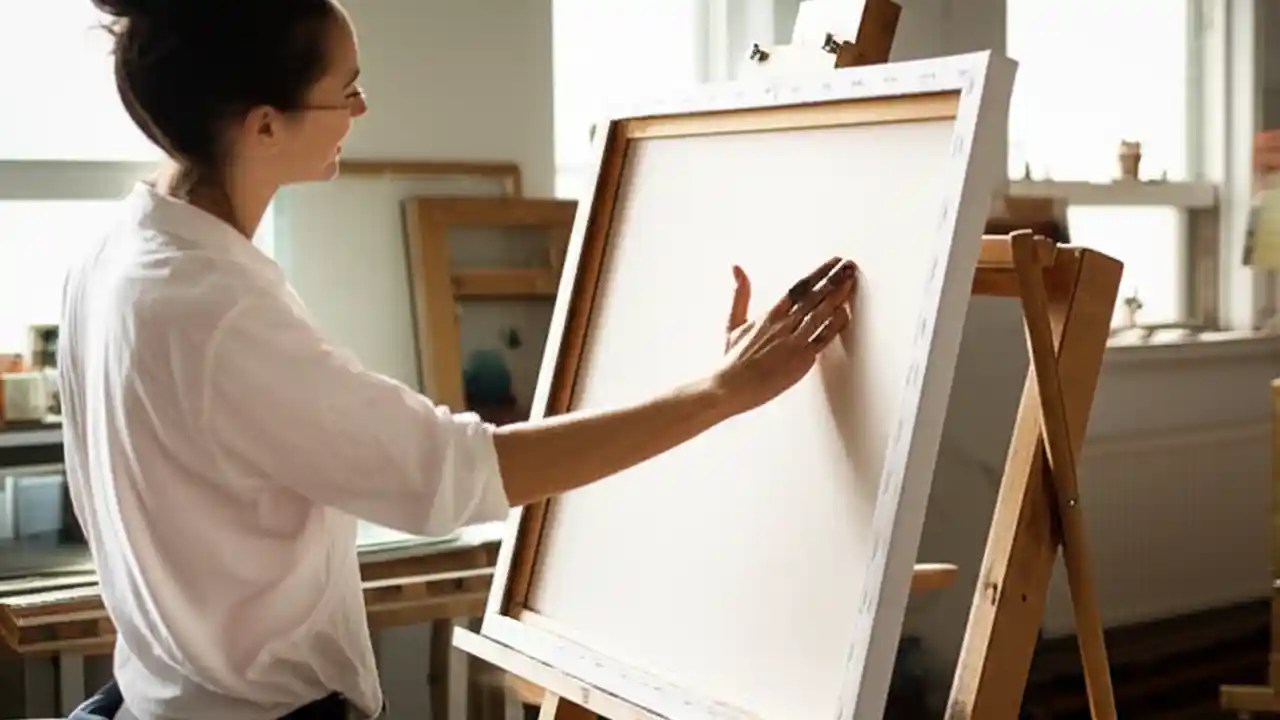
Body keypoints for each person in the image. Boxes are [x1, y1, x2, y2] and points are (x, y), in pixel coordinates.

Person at [61, 1, 859, 718]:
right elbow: (455, 473)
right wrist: (720, 391)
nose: (361, 109)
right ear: (264, 125)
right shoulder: (219, 312)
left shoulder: (119, 253)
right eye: (346, 91)